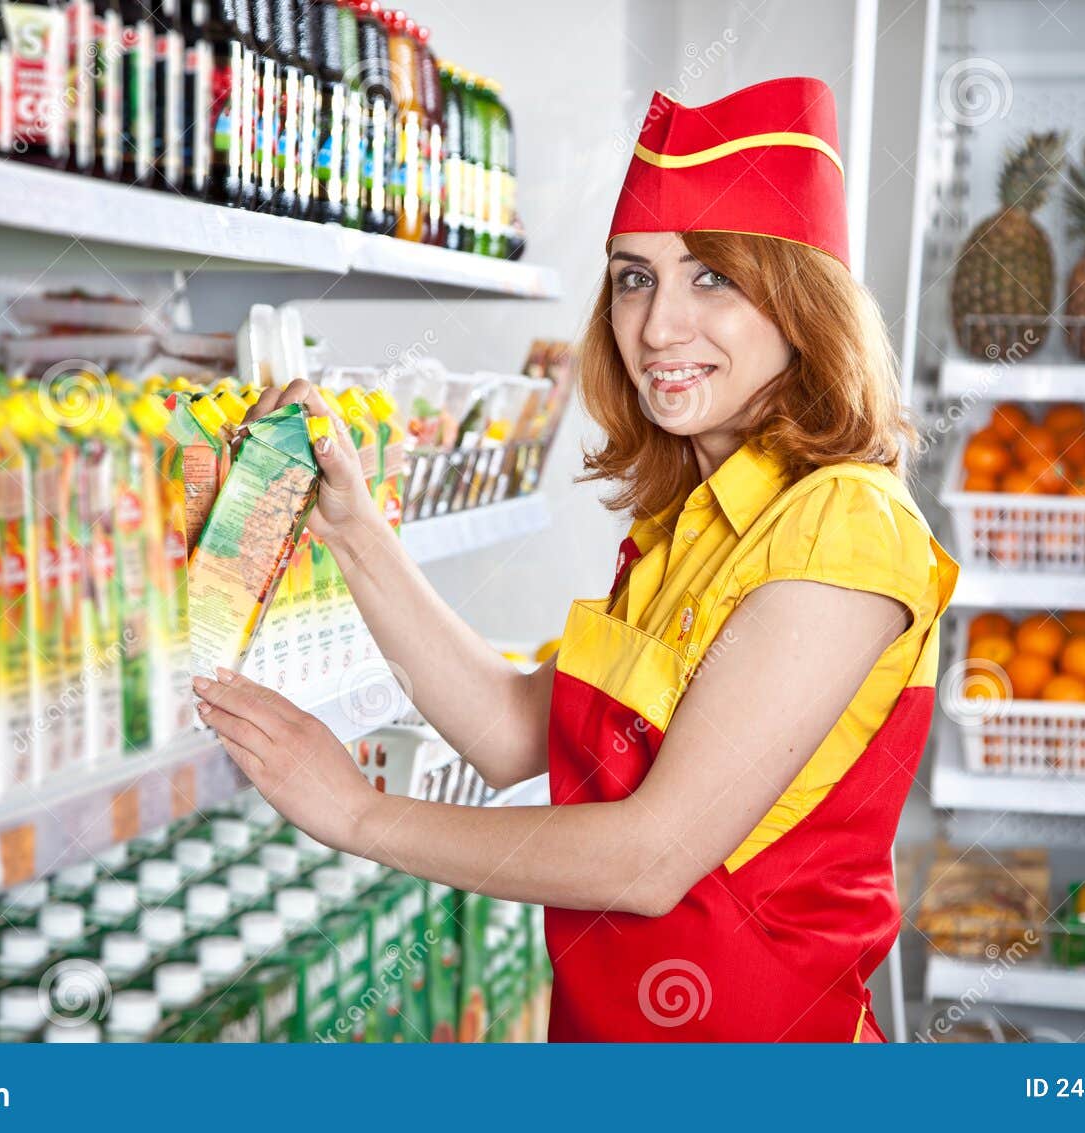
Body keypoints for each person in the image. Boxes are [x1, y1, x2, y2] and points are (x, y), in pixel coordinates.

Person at [199, 75, 959, 1042]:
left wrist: (359, 816)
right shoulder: (689, 526)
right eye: (635, 276)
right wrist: (352, 527)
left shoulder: (844, 528)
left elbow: (651, 856)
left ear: (802, 303)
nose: (658, 326)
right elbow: (516, 729)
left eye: (713, 277)